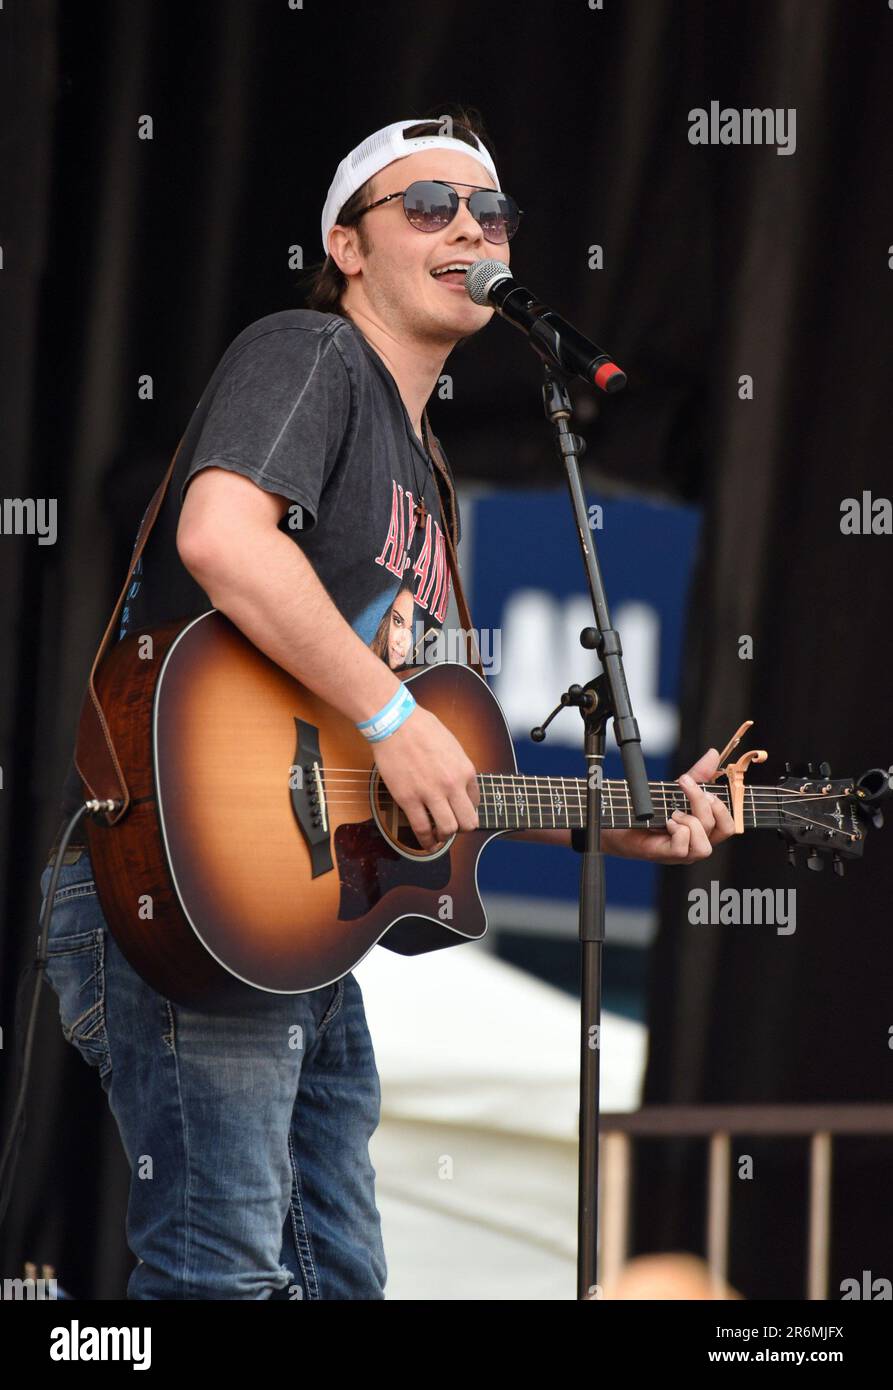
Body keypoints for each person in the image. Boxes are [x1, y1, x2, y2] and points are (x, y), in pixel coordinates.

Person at [39, 107, 735, 1301]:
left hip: (297, 928)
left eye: (488, 212)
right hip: (189, 877)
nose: (468, 227)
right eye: (427, 206)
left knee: (338, 1282)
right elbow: (220, 536)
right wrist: (386, 717)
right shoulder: (310, 356)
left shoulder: (427, 476)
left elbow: (430, 763)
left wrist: (613, 821)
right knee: (221, 1280)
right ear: (347, 246)